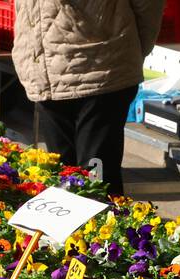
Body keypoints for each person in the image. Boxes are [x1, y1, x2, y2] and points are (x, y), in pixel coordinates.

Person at [11, 0, 165, 197]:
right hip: (47, 75)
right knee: (62, 180)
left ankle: (100, 224)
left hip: (100, 71)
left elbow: (148, 8)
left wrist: (129, 49)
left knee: (97, 183)